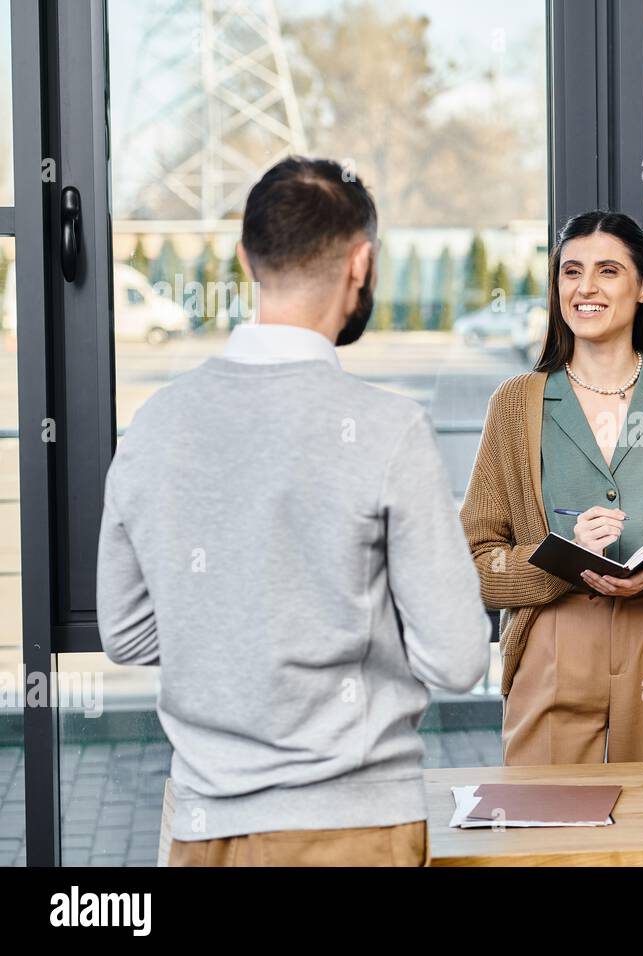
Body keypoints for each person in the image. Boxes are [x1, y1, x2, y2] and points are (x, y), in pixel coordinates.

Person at [95, 157, 490, 866]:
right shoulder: (387, 428)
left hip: (202, 827)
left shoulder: (155, 424)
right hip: (355, 829)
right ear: (361, 263)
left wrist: (234, 637)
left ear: (247, 259)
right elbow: (458, 657)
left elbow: (124, 635)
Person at [461, 210, 643, 766]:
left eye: (608, 271)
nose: (585, 287)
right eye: (571, 272)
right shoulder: (516, 403)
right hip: (552, 644)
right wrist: (556, 560)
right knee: (548, 838)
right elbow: (476, 564)